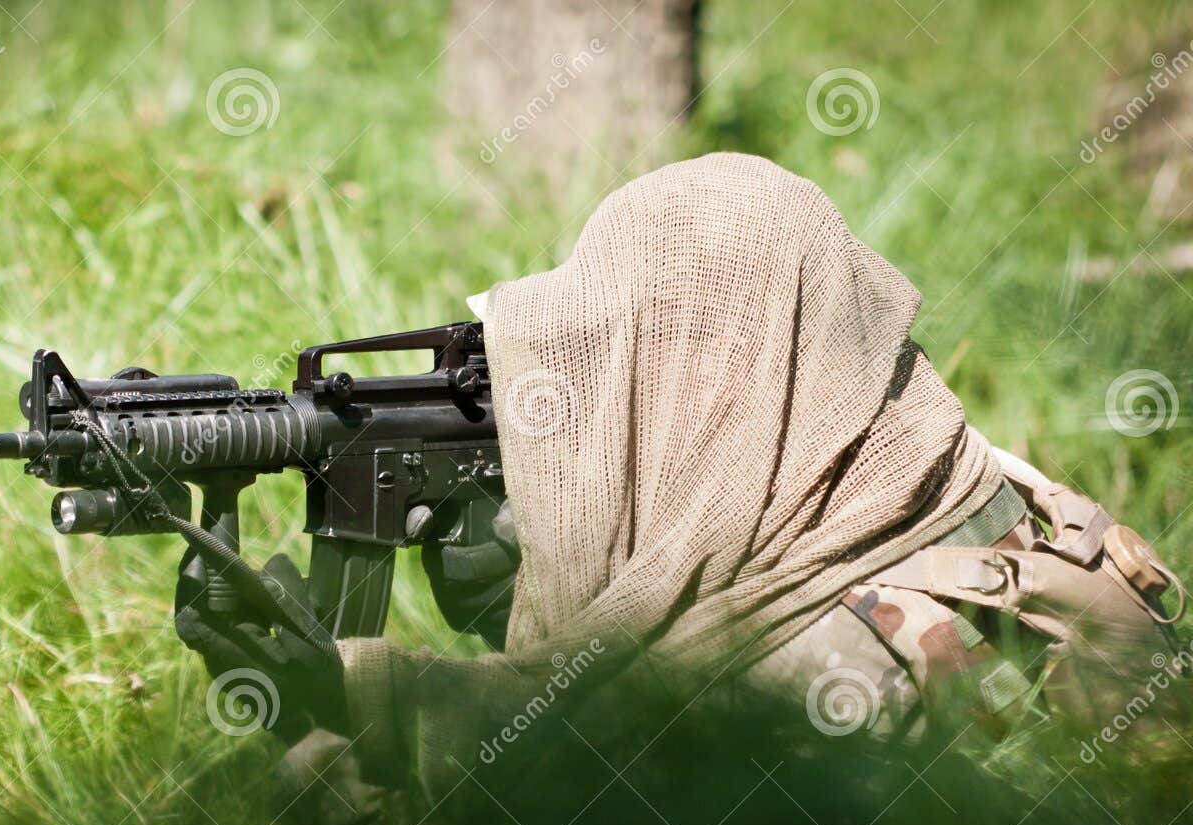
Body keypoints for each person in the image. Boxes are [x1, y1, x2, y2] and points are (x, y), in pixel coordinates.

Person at [176, 153, 1183, 783]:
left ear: (743, 366)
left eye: (645, 353)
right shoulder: (911, 472)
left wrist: (333, 704)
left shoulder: (855, 660)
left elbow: (584, 811)